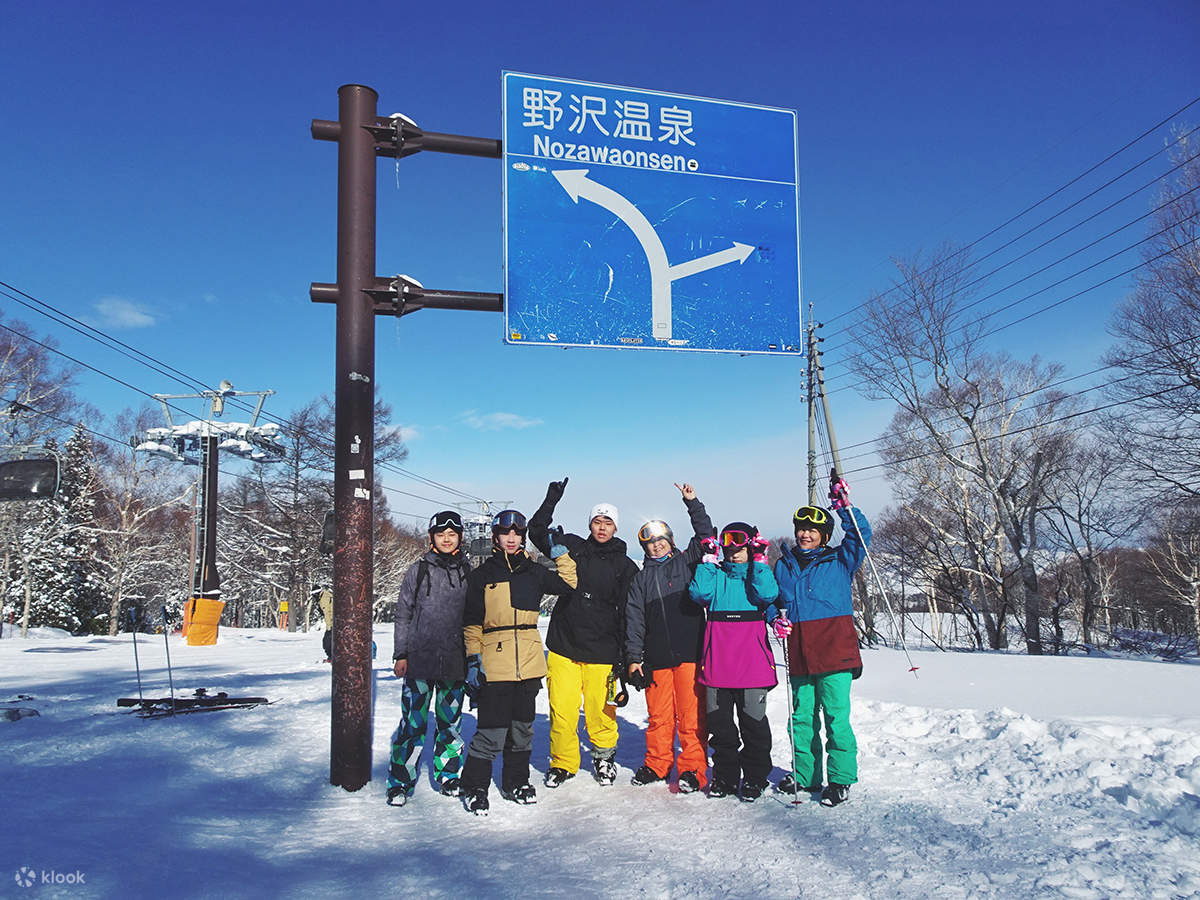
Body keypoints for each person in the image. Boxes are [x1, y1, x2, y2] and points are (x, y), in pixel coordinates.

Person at [459, 509, 577, 816]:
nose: (511, 539)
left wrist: (558, 553)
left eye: (516, 534)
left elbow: (568, 583)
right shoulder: (481, 576)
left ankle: (516, 782)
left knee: (522, 729)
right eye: (505, 534)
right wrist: (473, 659)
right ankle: (474, 786)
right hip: (493, 661)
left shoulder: (534, 571)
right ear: (496, 537)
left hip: (528, 660)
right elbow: (471, 622)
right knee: (491, 730)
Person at [530, 477, 638, 788]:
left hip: (603, 651)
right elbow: (536, 532)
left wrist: (628, 656)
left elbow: (630, 614)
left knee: (600, 711)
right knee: (561, 710)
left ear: (616, 527)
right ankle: (563, 762)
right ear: (590, 524)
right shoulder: (574, 546)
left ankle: (604, 758)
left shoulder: (626, 566)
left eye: (608, 522)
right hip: (564, 645)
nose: (602, 527)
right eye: (597, 521)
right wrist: (551, 500)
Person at [772, 473, 870, 807]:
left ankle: (840, 779)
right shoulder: (783, 566)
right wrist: (774, 618)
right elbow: (772, 600)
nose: (805, 534)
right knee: (800, 719)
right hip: (799, 653)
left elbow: (861, 536)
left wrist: (845, 508)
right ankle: (807, 776)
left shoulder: (841, 559)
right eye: (801, 528)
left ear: (824, 535)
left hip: (835, 653)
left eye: (813, 530)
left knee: (835, 718)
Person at [624, 482, 713, 793]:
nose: (656, 546)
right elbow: (634, 620)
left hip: (690, 653)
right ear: (645, 549)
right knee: (659, 717)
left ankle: (693, 769)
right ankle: (657, 764)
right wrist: (634, 659)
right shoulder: (641, 579)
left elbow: (706, 538)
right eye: (650, 544)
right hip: (657, 658)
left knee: (691, 717)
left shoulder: (687, 563)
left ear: (670, 541)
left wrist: (692, 503)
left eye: (661, 540)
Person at [688, 520, 782, 802]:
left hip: (752, 667)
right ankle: (726, 778)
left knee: (753, 725)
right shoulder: (715, 576)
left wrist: (760, 560)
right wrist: (707, 560)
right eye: (728, 547)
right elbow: (698, 594)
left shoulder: (756, 576)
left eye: (740, 547)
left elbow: (768, 595)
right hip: (718, 666)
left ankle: (755, 777)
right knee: (721, 728)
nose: (733, 552)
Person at [385, 511, 473, 806]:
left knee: (450, 725)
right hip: (420, 661)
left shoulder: (468, 571)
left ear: (460, 537)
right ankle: (400, 781)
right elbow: (403, 614)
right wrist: (401, 654)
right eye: (440, 534)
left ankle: (449, 776)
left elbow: (476, 618)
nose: (446, 539)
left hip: (454, 663)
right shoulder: (418, 569)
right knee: (412, 725)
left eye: (452, 534)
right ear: (432, 538)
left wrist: (475, 658)